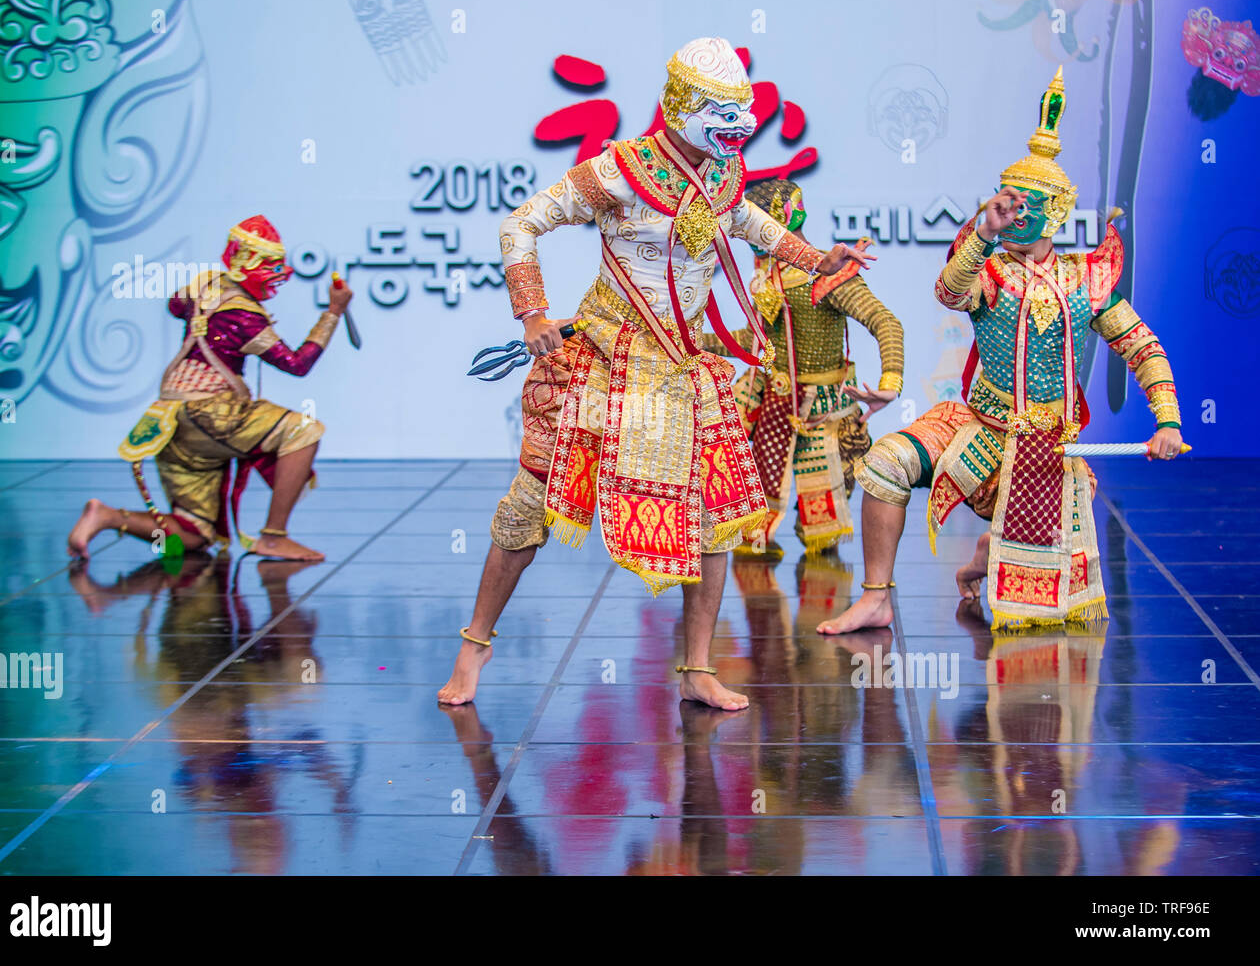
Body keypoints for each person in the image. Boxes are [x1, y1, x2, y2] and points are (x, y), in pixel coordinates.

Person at [438, 37, 875, 710]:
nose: (737, 128)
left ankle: (697, 668)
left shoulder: (725, 171)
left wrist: (817, 259)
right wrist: (533, 314)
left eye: (740, 114)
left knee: (717, 518)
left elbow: (746, 220)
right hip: (602, 361)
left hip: (684, 367)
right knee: (529, 503)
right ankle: (474, 645)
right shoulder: (619, 169)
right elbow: (520, 224)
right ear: (682, 106)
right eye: (721, 114)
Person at [820, 67, 1182, 634]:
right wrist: (982, 235)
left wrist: (1168, 422)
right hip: (979, 430)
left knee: (1060, 534)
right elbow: (948, 292)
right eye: (1004, 205)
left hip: (1049, 447)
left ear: (1055, 212)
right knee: (885, 464)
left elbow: (1142, 347)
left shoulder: (1086, 281)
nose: (1012, 215)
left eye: (1022, 207)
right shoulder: (989, 271)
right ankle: (876, 598)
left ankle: (985, 555)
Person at [67, 215, 353, 562]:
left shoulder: (204, 287)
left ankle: (107, 516)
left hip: (170, 418)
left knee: (194, 534)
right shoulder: (244, 315)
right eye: (271, 266)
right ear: (249, 262)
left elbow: (176, 305)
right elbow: (296, 364)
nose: (277, 275)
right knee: (304, 430)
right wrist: (333, 312)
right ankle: (273, 537)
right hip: (212, 412)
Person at [706, 178, 903, 557]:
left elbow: (886, 322)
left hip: (824, 405)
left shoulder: (829, 274)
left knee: (824, 523)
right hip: (771, 396)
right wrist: (691, 339)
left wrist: (890, 382)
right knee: (745, 485)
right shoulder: (767, 274)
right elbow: (755, 339)